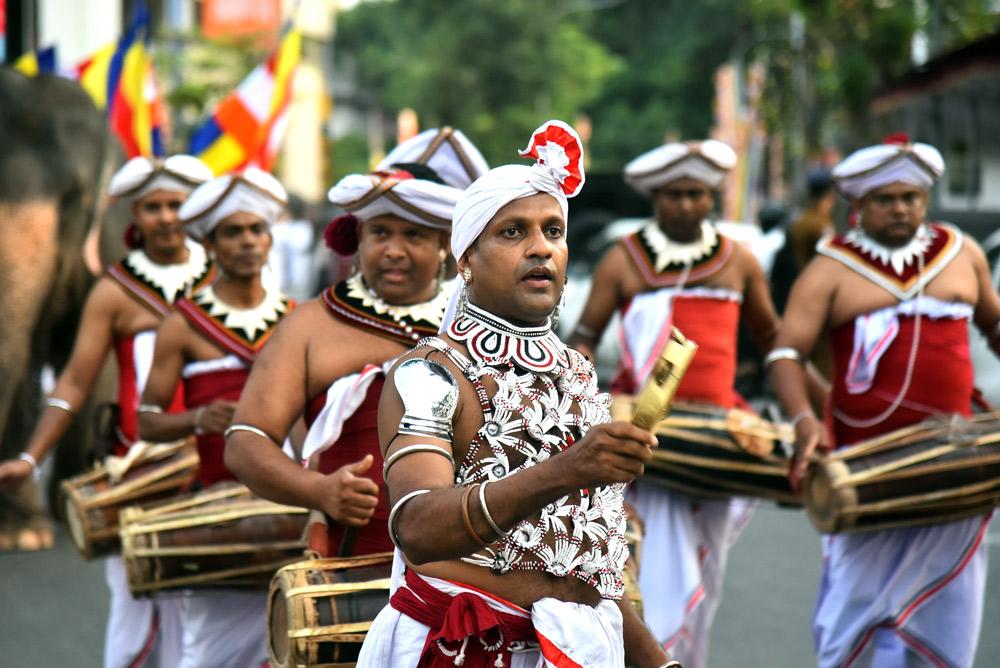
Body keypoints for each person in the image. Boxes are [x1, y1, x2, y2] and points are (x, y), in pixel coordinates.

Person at [357, 121, 674, 668]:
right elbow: (416, 526)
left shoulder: (575, 369)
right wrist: (564, 470)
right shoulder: (432, 373)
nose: (540, 249)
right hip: (461, 650)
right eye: (512, 233)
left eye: (553, 231)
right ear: (466, 260)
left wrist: (659, 662)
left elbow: (587, 566)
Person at [568, 140, 825, 668]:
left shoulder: (739, 262)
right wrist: (579, 401)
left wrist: (817, 410)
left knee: (703, 581)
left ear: (713, 197)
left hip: (720, 437)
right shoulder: (625, 260)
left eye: (696, 194)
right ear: (654, 198)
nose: (685, 204)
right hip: (644, 436)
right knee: (654, 577)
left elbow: (777, 342)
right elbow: (584, 339)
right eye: (673, 195)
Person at [769, 139, 1000, 667]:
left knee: (949, 615)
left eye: (912, 197)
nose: (901, 208)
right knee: (848, 623)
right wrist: (805, 421)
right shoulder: (830, 269)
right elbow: (785, 354)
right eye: (886, 199)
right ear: (859, 206)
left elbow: (994, 325)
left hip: (954, 462)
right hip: (865, 465)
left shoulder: (963, 253)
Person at [225, 127, 486, 559]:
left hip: (470, 568)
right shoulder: (310, 324)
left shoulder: (483, 327)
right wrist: (319, 490)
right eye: (380, 233)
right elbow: (246, 440)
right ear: (358, 240)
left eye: (414, 236)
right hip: (350, 566)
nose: (394, 251)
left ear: (445, 245)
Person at [0, 154, 212, 667]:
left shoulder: (223, 282)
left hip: (216, 468)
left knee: (208, 611)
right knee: (134, 609)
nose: (166, 217)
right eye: (153, 207)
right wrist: (30, 459)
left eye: (176, 206)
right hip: (137, 470)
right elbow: (73, 382)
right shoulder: (115, 292)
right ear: (133, 217)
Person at [137, 167, 294, 668]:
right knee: (209, 655)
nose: (247, 242)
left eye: (256, 230)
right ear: (210, 243)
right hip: (217, 513)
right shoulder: (182, 324)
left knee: (293, 644)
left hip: (289, 508)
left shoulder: (298, 317)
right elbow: (146, 421)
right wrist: (197, 418)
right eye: (233, 232)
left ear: (271, 240)